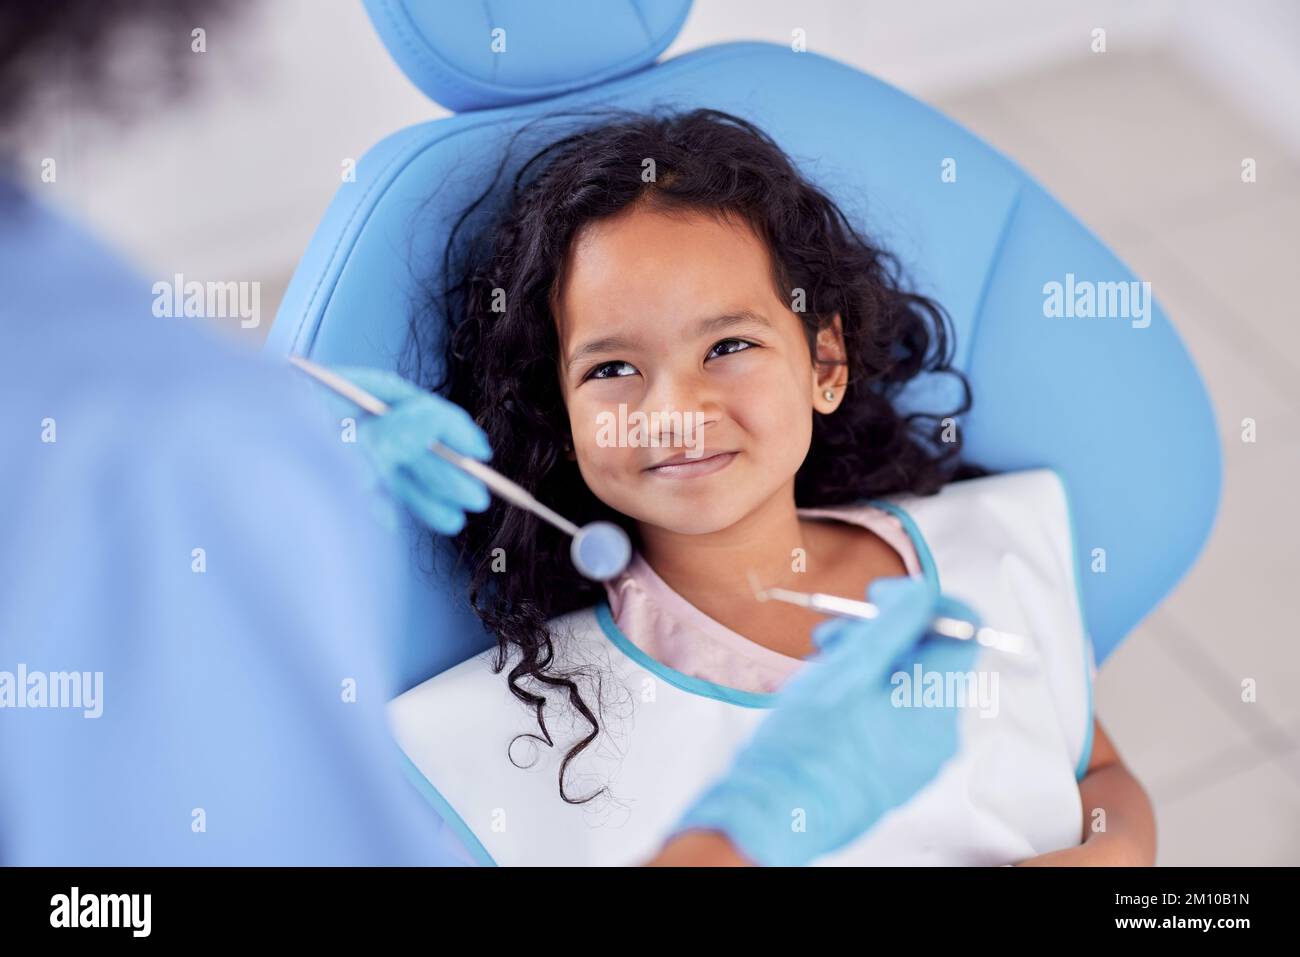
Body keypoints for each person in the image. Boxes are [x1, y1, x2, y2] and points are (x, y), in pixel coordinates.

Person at [373, 108, 1157, 866]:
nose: (674, 412)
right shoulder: (529, 735)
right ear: (565, 415)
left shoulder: (991, 545)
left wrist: (1116, 850)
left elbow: (1099, 771)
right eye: (611, 369)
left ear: (824, 364)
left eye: (728, 344)